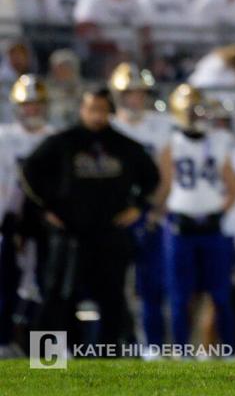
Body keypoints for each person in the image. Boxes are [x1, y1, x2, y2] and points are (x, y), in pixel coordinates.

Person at [21, 88, 159, 349]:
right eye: (92, 109)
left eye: (102, 109)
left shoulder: (124, 145)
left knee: (112, 298)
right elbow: (29, 173)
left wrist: (138, 207)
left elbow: (152, 177)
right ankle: (47, 357)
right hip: (70, 233)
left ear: (110, 111)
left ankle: (110, 356)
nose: (97, 115)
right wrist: (46, 208)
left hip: (110, 234)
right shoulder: (62, 142)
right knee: (58, 294)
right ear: (82, 110)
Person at [157, 85, 235, 349]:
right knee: (180, 296)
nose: (199, 116)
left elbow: (233, 187)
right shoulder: (172, 144)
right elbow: (163, 187)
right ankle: (181, 350)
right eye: (193, 111)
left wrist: (217, 211)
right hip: (181, 227)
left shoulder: (218, 141)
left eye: (201, 110)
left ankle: (227, 350)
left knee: (220, 294)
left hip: (211, 227)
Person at [110, 62, 172, 351]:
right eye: (129, 93)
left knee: (151, 287)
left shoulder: (160, 126)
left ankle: (152, 346)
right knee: (110, 287)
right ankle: (113, 345)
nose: (136, 99)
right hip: (114, 216)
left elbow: (166, 174)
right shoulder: (109, 127)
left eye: (140, 93)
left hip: (147, 214)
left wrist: (153, 210)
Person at [0, 75, 56, 355]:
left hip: (46, 221)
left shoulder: (54, 139)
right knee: (5, 284)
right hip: (9, 219)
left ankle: (47, 351)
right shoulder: (4, 137)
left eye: (37, 104)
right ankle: (4, 343)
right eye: (27, 105)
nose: (32, 110)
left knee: (49, 285)